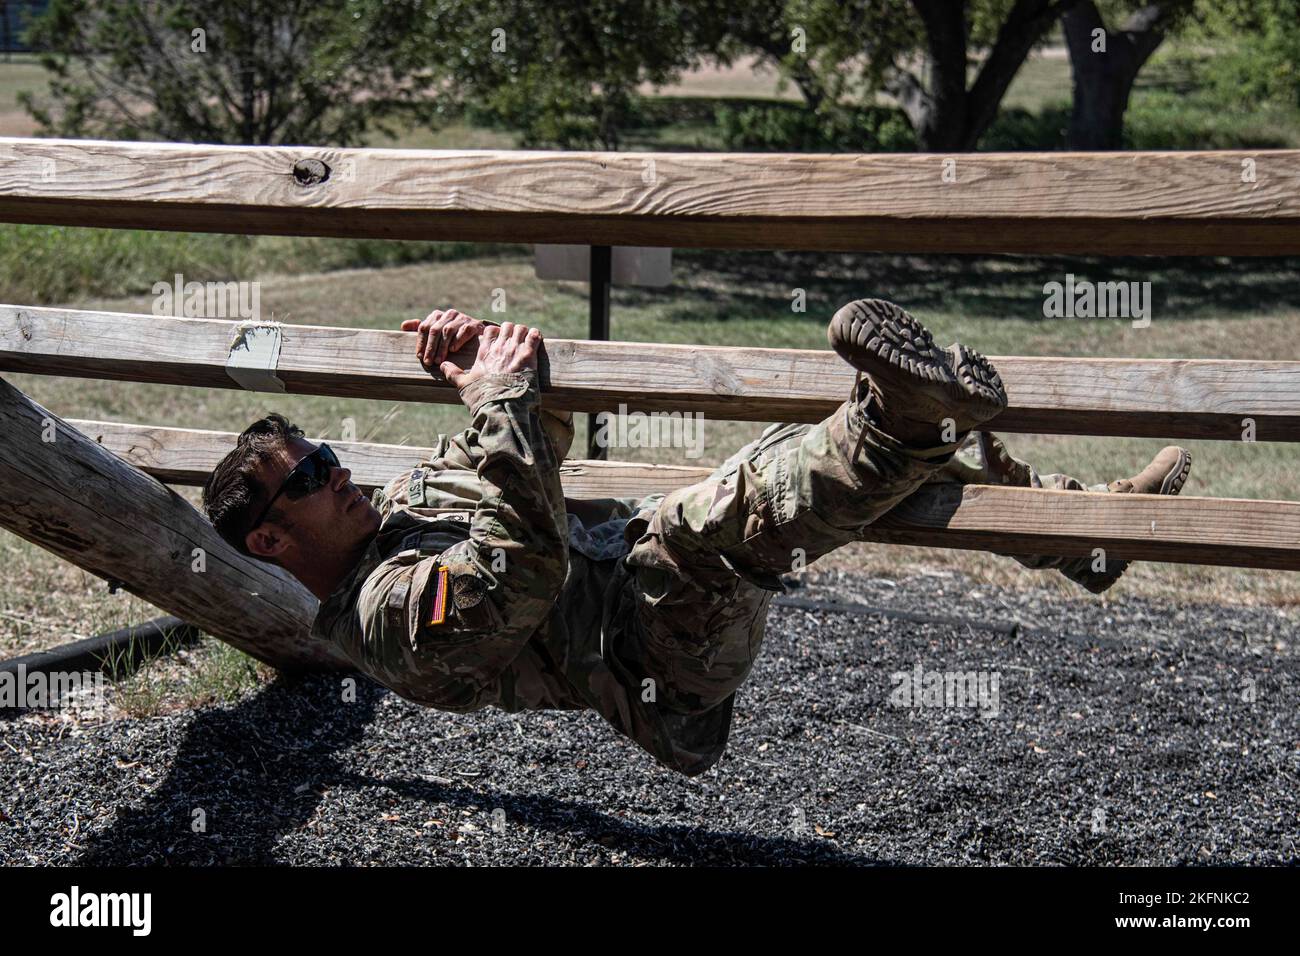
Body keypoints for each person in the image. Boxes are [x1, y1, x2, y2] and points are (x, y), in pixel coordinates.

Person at [202, 300, 1191, 776]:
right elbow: (522, 564)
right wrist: (496, 396)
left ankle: (1068, 530)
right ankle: (909, 419)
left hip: (644, 574)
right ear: (273, 539)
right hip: (657, 665)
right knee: (710, 519)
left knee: (783, 464)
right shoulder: (384, 624)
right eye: (313, 477)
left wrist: (487, 356)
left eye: (326, 452)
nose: (341, 473)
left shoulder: (406, 499)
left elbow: (532, 455)